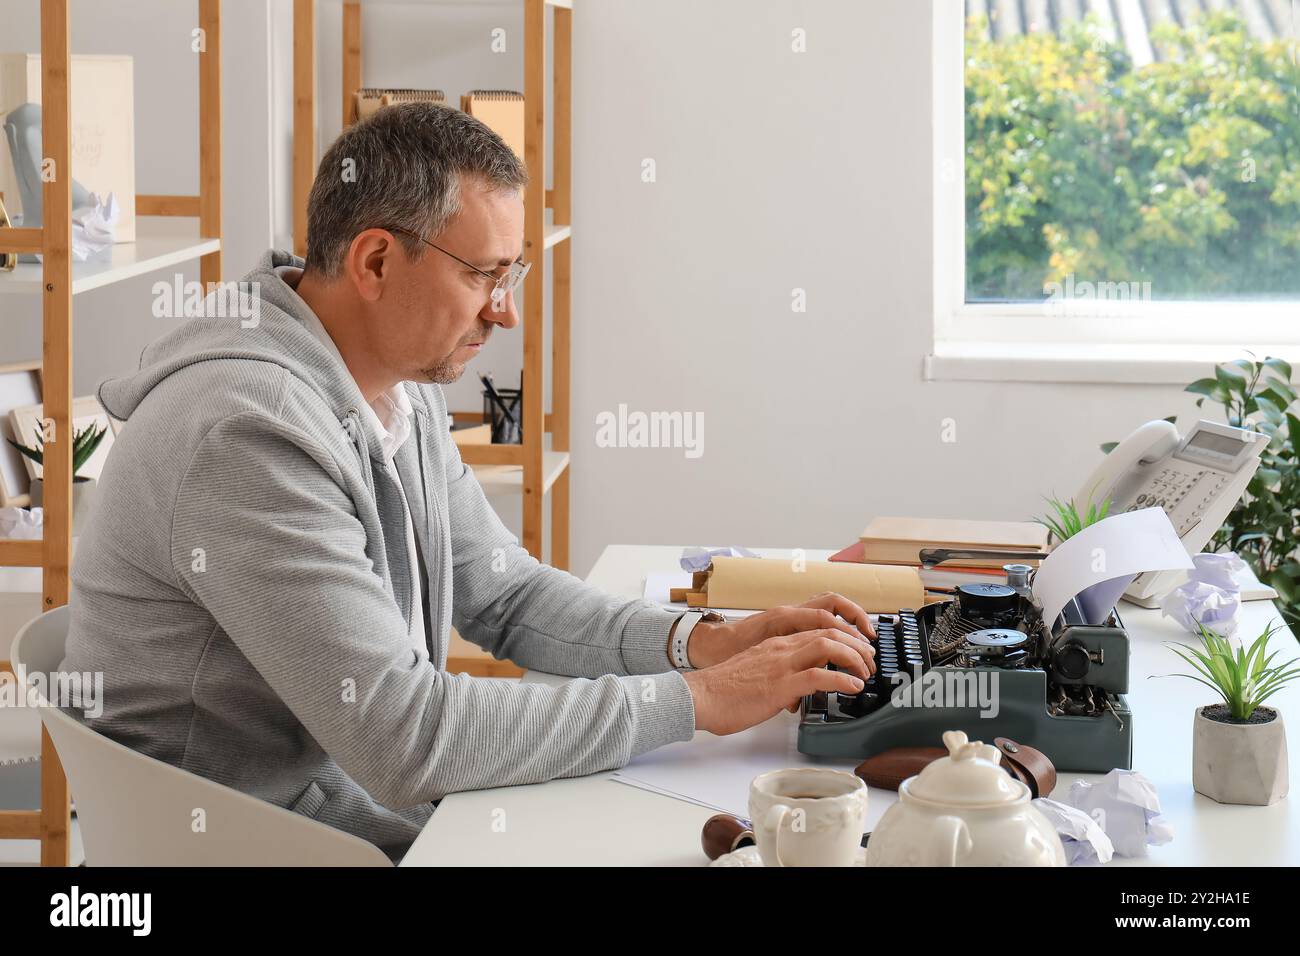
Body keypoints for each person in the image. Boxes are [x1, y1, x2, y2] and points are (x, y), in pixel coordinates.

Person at [62, 103, 875, 862]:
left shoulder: (392, 387)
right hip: (258, 834)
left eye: (510, 277)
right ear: (377, 260)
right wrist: (696, 699)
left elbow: (503, 594)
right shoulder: (247, 432)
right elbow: (407, 737)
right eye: (487, 276)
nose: (505, 313)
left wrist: (702, 644)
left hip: (338, 797)